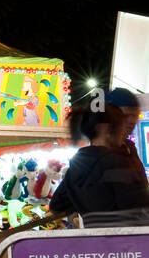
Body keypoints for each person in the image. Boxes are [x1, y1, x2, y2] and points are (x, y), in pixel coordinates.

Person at [50, 88, 149, 224]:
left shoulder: (81, 160)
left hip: (100, 241)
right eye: (124, 117)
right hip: (126, 240)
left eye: (135, 115)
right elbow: (138, 207)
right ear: (106, 126)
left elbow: (57, 205)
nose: (132, 121)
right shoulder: (114, 161)